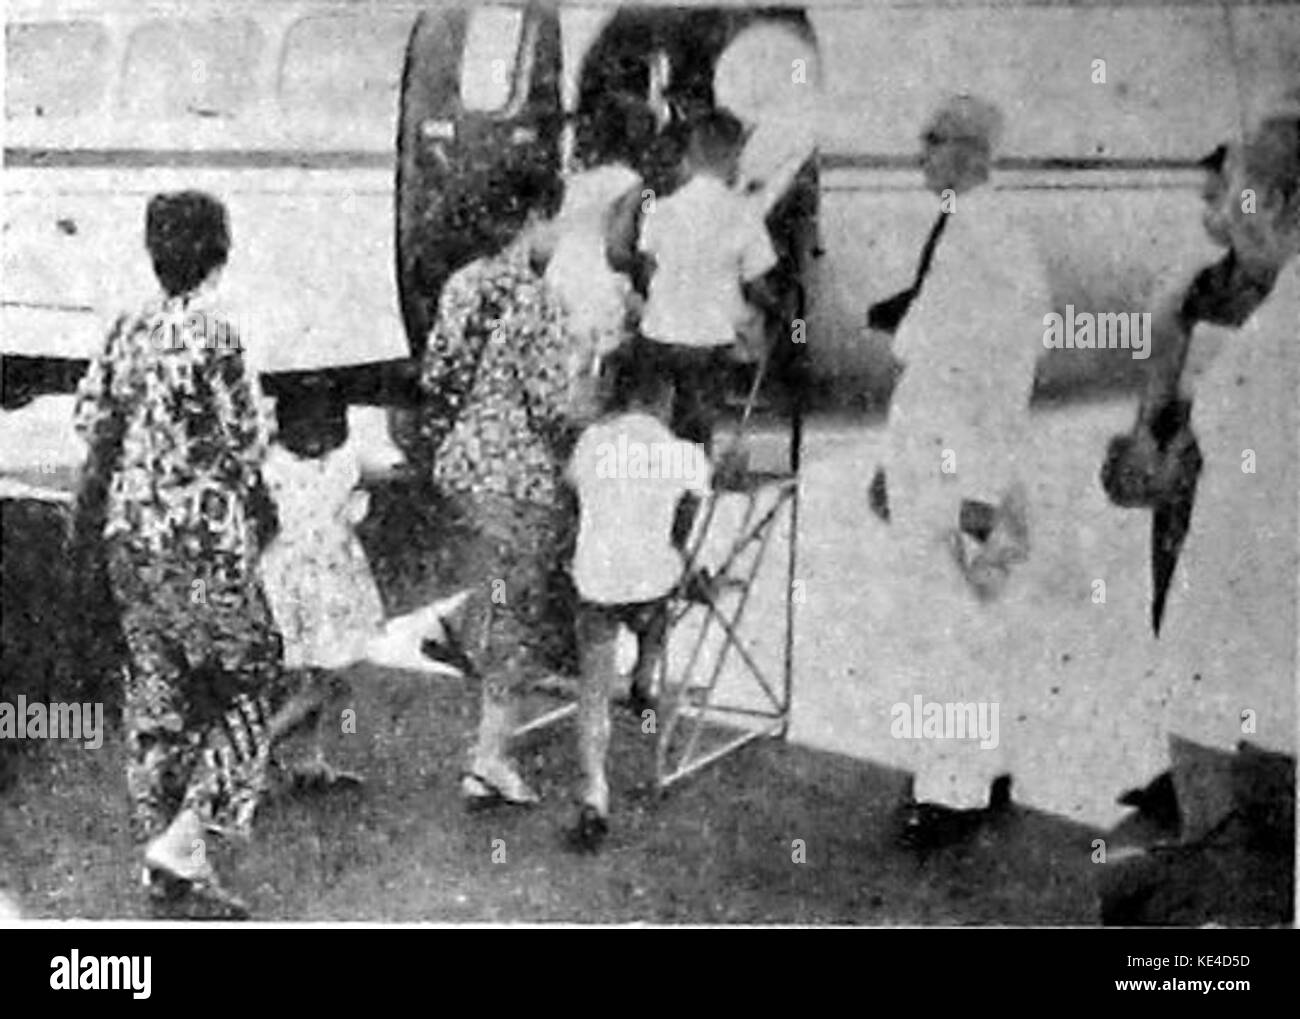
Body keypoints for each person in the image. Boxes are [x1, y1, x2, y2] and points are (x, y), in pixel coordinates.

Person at [72, 191, 282, 917]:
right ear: (221, 251)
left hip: (130, 535)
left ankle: (163, 860)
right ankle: (186, 839)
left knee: (156, 696)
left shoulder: (128, 325)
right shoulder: (219, 334)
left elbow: (90, 418)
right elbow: (247, 441)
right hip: (201, 543)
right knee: (250, 682)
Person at [867, 95, 1050, 847]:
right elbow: (933, 361)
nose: (919, 150)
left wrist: (981, 487)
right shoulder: (965, 228)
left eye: (933, 138)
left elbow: (1004, 370)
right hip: (931, 459)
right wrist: (891, 464)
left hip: (957, 468)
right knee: (961, 621)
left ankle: (950, 794)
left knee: (948, 628)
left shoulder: (988, 235)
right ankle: (984, 766)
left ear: (973, 151)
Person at [415, 213, 599, 807]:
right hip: (517, 478)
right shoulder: (541, 301)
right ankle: (488, 759)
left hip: (463, 467)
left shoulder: (462, 284)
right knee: (517, 614)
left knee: (502, 598)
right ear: (532, 219)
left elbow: (437, 374)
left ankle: (463, 633)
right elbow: (551, 406)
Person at [258, 380, 464, 785]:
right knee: (325, 679)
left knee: (314, 673)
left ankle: (305, 759)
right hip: (327, 585)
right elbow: (386, 475)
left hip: (291, 579)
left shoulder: (271, 464)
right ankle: (251, 755)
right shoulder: (343, 462)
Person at [564, 347, 713, 849]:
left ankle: (594, 791)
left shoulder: (591, 441)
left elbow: (573, 489)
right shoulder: (680, 451)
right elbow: (703, 496)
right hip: (652, 583)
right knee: (664, 593)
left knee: (592, 689)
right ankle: (645, 677)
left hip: (597, 583)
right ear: (664, 396)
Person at [637, 110, 781, 452]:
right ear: (734, 156)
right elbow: (758, 280)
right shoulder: (743, 212)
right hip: (711, 336)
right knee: (698, 422)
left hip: (659, 330)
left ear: (690, 156)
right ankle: (693, 479)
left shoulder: (661, 208)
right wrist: (780, 312)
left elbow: (647, 267)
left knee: (664, 418)